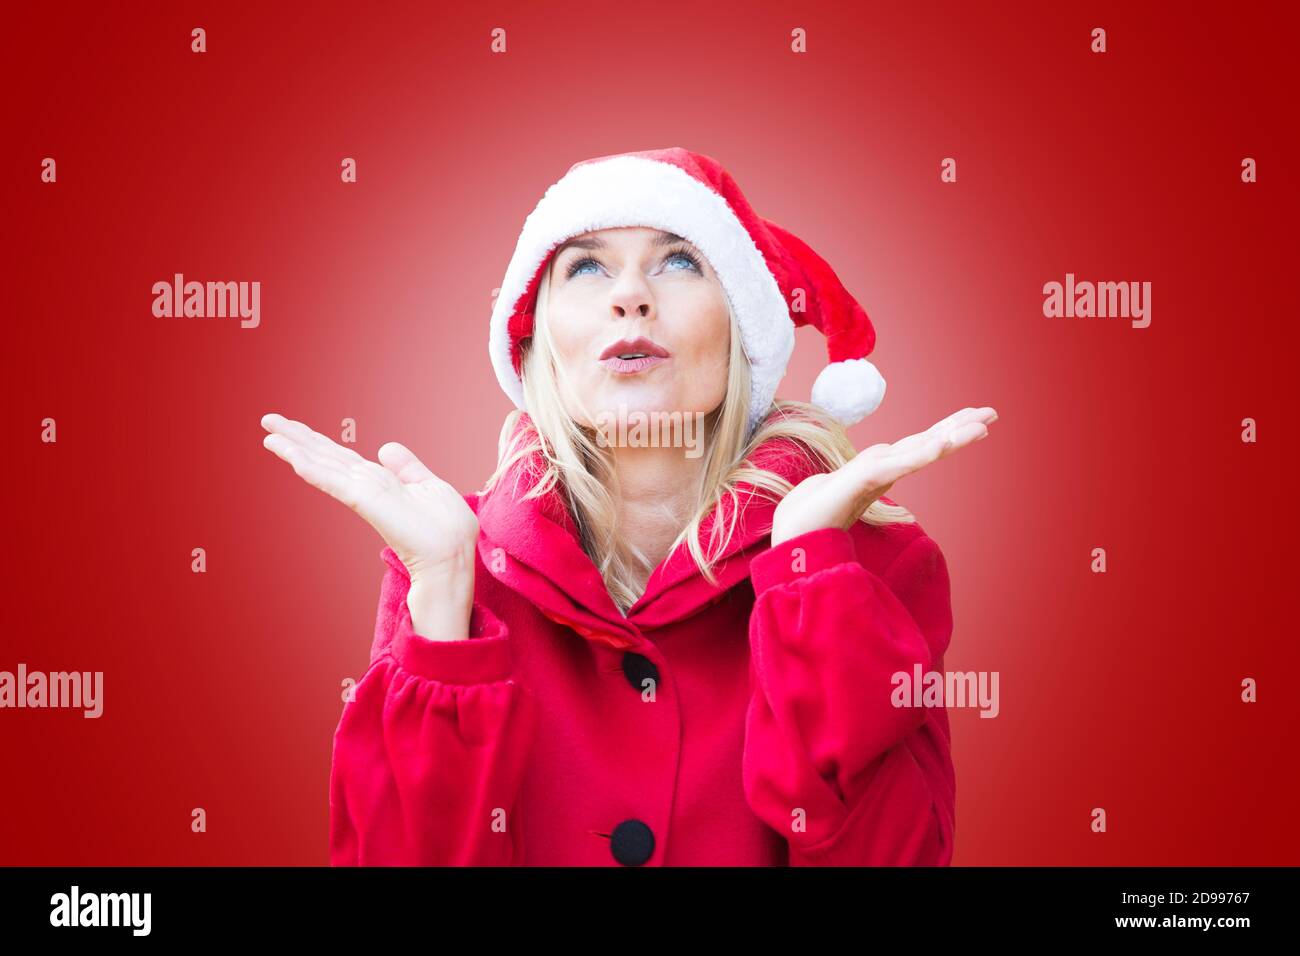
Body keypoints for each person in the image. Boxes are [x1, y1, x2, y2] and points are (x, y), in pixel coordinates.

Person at [261, 147, 997, 866]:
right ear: (540, 342)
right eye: (586, 266)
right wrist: (444, 620)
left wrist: (809, 576)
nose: (630, 296)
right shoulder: (445, 572)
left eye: (679, 260)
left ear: (743, 326)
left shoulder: (870, 565)